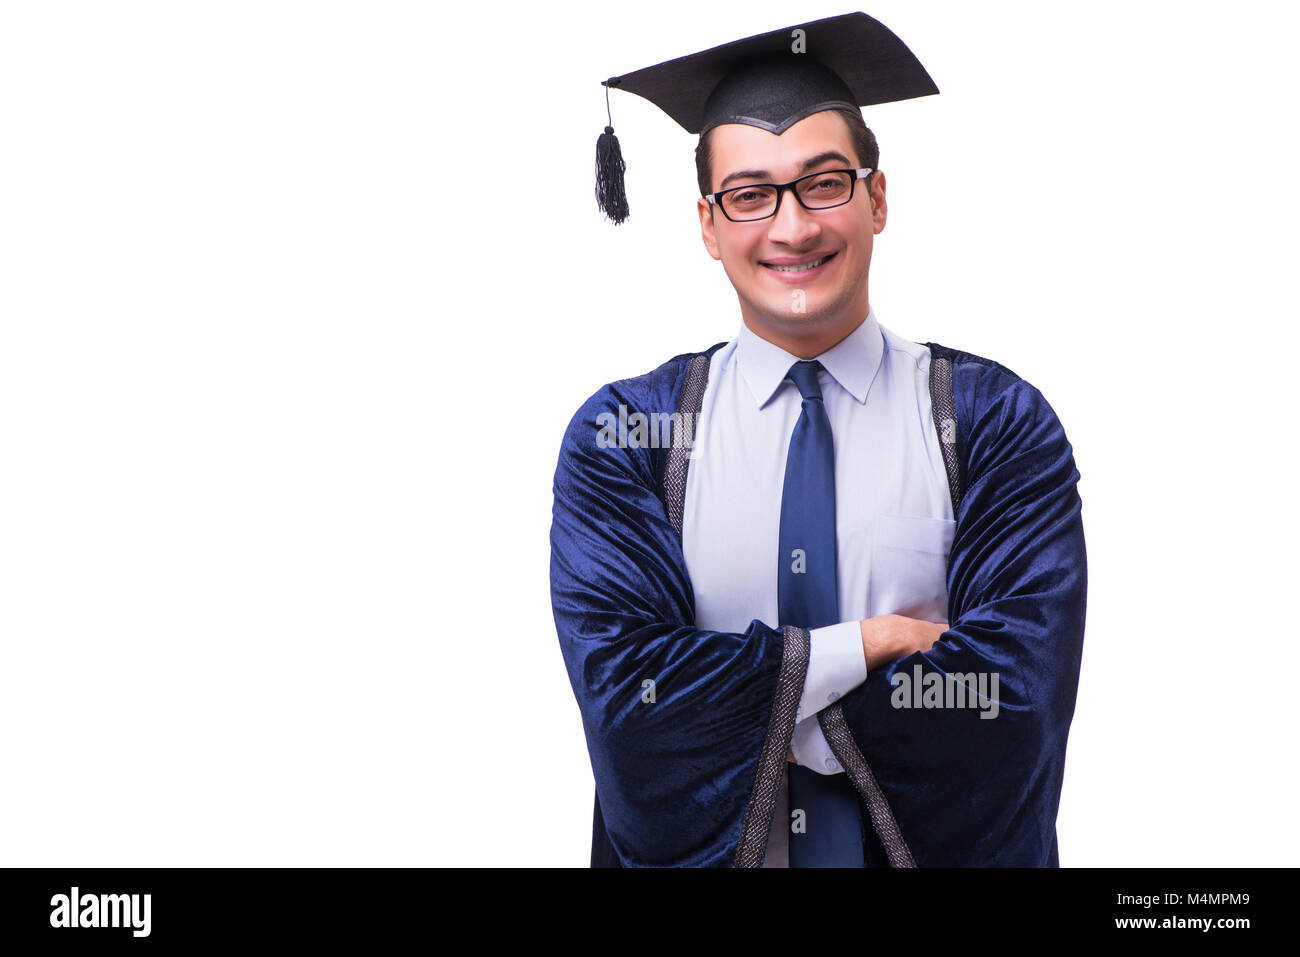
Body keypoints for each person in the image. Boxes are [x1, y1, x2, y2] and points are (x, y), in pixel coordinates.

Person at [550, 11, 1087, 868]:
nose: (793, 228)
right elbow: (633, 720)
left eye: (825, 183)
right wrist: (867, 649)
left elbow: (1008, 707)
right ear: (707, 224)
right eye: (751, 195)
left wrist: (735, 711)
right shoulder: (628, 439)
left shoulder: (993, 421)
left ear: (877, 198)